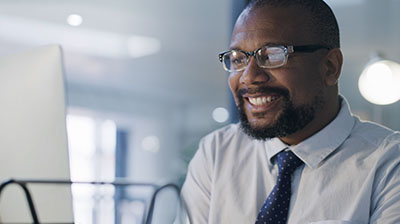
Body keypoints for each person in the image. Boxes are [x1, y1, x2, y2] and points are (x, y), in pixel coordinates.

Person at [179, 0, 400, 223]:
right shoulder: (216, 154)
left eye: (273, 55)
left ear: (330, 67)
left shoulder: (389, 164)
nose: (248, 76)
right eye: (238, 59)